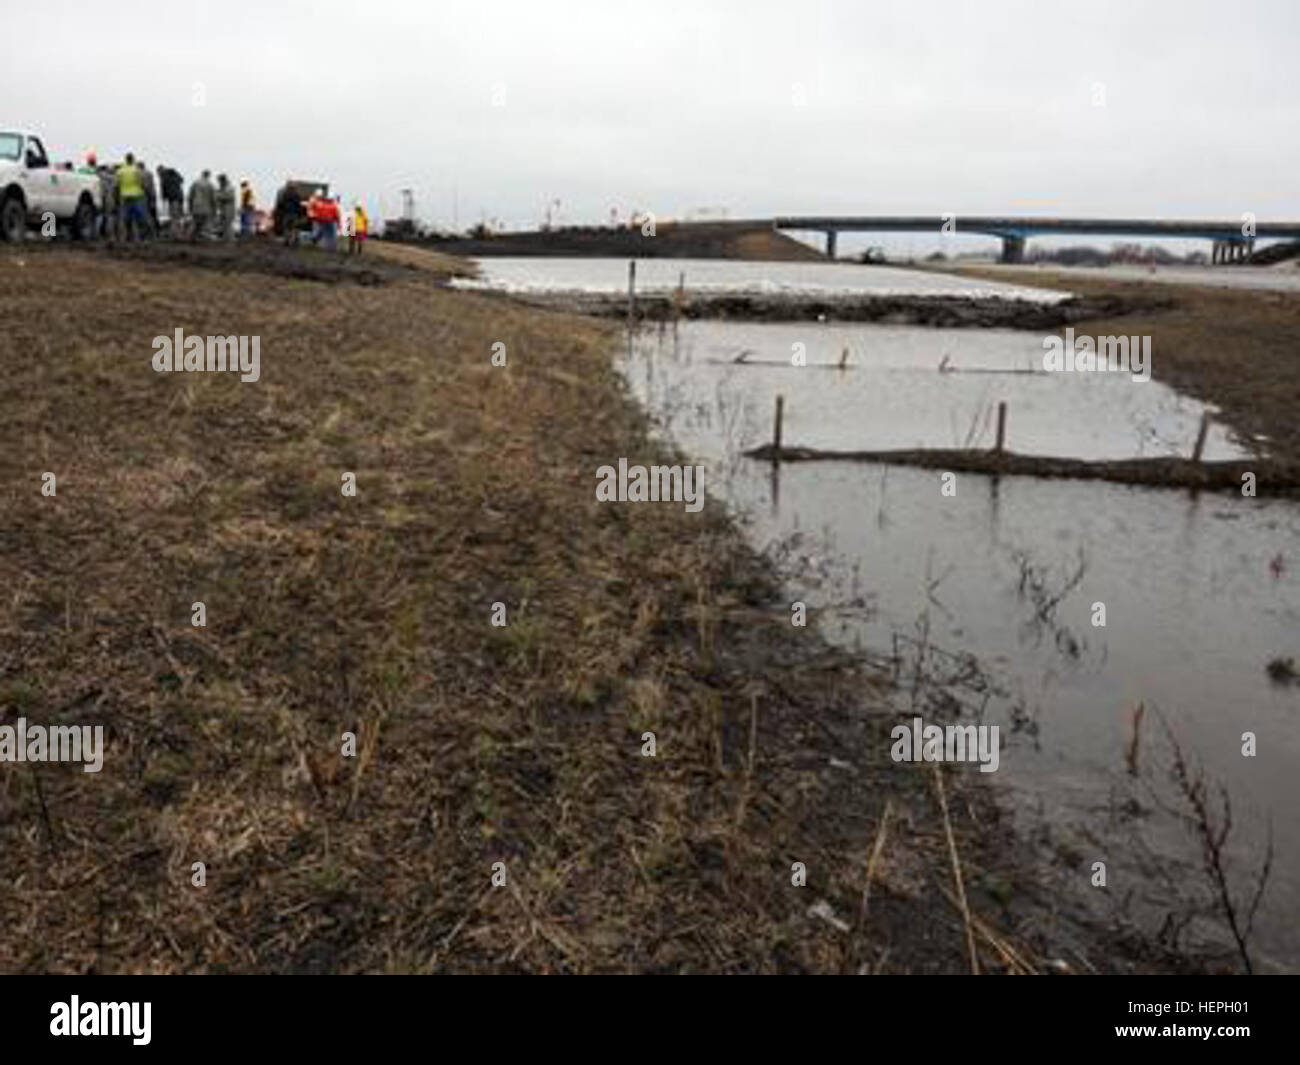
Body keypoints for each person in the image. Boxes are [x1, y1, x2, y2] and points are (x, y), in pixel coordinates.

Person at [116, 152, 150, 241]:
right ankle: (142, 237)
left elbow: (116, 184)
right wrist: (146, 192)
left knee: (127, 218)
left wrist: (116, 196)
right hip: (137, 196)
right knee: (140, 217)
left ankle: (128, 236)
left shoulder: (120, 171)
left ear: (126, 160)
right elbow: (143, 183)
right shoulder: (137, 170)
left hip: (124, 196)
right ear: (133, 160)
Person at [188, 169, 216, 241]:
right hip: (206, 207)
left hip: (196, 206)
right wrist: (214, 209)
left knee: (196, 223)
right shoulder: (210, 185)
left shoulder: (195, 183)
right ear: (208, 175)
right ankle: (205, 239)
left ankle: (192, 237)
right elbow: (213, 198)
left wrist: (190, 206)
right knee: (206, 224)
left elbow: (190, 196)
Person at [275, 181, 303, 246]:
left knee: (286, 228)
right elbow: (298, 205)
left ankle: (287, 241)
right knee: (294, 228)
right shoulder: (297, 195)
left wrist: (279, 212)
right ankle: (295, 241)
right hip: (294, 214)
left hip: (286, 213)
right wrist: (300, 214)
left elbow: (281, 203)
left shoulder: (285, 194)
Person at [158, 165, 184, 230]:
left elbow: (163, 189)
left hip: (173, 197)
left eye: (158, 173)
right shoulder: (174, 173)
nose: (158, 175)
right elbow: (182, 180)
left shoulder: (163, 176)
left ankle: (175, 230)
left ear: (160, 171)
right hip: (180, 196)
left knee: (173, 214)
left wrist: (163, 198)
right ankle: (179, 228)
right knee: (178, 213)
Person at [137, 158, 159, 236]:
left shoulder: (137, 174)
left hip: (140, 196)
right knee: (150, 215)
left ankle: (145, 232)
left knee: (143, 215)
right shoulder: (149, 173)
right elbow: (152, 186)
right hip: (149, 196)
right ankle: (152, 232)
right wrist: (153, 197)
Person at [214, 174, 236, 240]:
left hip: (229, 208)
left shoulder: (229, 187)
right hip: (223, 209)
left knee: (228, 224)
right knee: (223, 224)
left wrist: (218, 196)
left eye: (220, 181)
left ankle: (231, 239)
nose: (219, 182)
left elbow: (229, 197)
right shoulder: (222, 187)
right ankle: (225, 238)